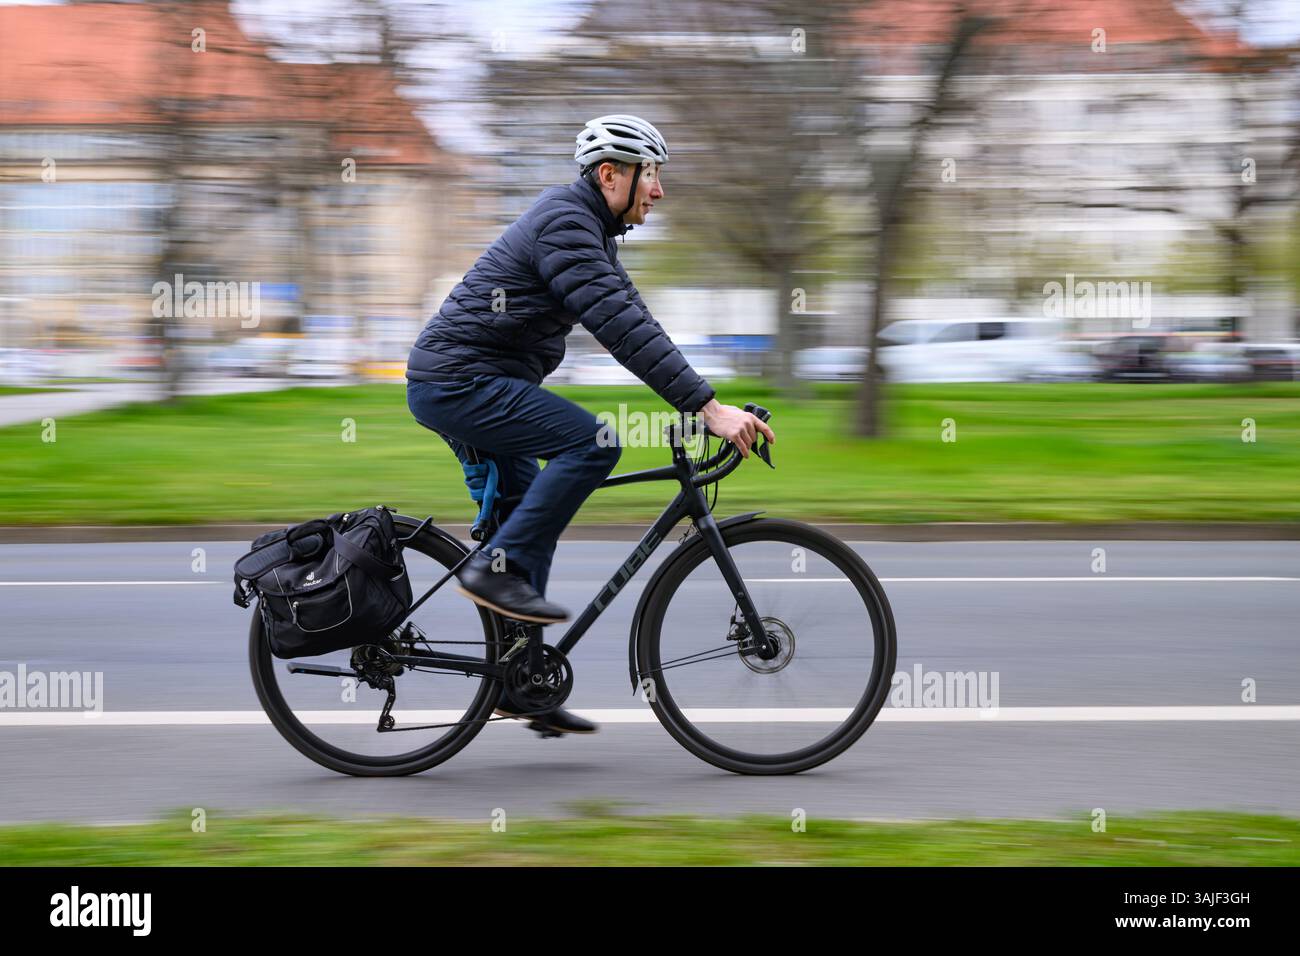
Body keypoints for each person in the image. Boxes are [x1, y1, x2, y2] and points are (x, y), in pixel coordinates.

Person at [406, 114, 775, 735]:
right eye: (650, 175)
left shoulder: (588, 233)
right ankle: (488, 569)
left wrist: (711, 403)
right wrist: (707, 411)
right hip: (460, 382)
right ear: (611, 175)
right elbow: (620, 331)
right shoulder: (566, 226)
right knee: (594, 442)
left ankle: (522, 684)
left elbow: (638, 320)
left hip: (480, 383)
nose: (657, 190)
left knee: (531, 515)